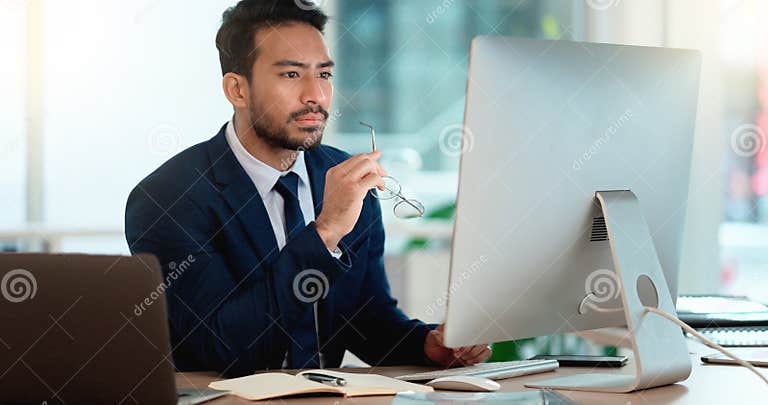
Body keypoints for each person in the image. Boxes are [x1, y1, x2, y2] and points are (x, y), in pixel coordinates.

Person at [125, 0, 491, 376]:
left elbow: (367, 322)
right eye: (291, 75)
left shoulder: (341, 177)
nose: (315, 95)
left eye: (325, 75)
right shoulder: (169, 199)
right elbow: (218, 348)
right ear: (237, 90)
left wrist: (427, 346)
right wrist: (325, 233)